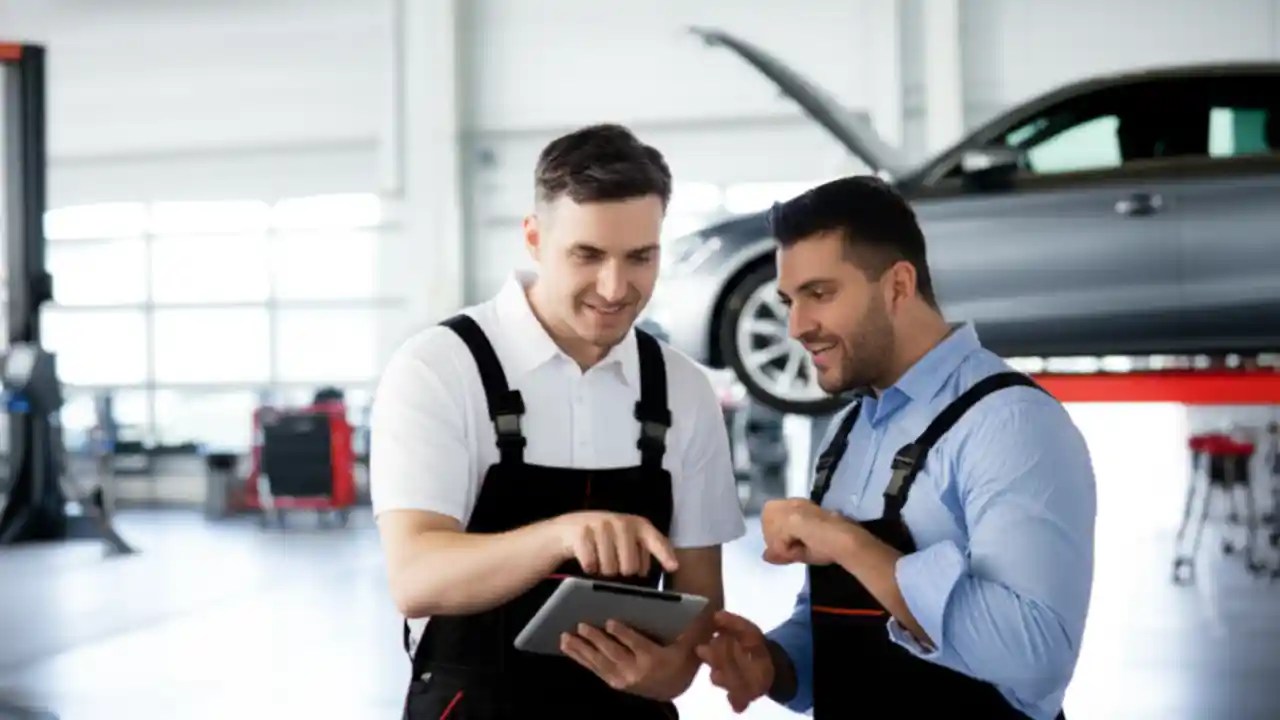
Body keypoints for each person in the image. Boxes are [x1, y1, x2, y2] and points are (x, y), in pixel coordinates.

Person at [370, 123, 747, 719]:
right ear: (534, 237)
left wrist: (673, 671)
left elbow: (699, 597)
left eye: (640, 257)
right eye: (587, 255)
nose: (614, 288)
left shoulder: (683, 389)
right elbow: (416, 578)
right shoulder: (439, 368)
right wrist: (560, 537)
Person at [696, 176, 1096, 719]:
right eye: (790, 301)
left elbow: (1036, 657)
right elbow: (838, 623)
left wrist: (846, 541)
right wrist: (773, 663)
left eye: (820, 294)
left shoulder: (1009, 423)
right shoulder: (848, 432)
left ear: (898, 287)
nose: (796, 327)